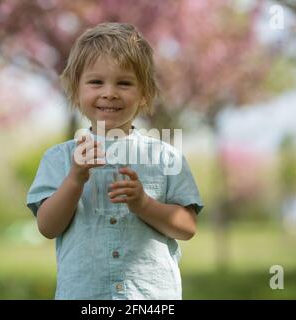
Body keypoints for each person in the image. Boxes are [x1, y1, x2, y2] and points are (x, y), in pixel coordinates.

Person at [26, 22, 204, 300]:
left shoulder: (165, 156)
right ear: (76, 90)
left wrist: (143, 204)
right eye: (96, 82)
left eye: (124, 82)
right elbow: (48, 227)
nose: (110, 92)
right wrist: (74, 180)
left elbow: (187, 228)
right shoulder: (58, 159)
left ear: (144, 93)